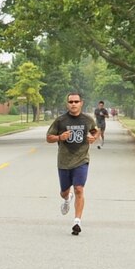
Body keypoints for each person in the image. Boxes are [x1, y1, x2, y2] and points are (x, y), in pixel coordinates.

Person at [46, 92, 98, 236]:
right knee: (64, 192)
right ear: (67, 104)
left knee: (79, 189)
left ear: (81, 103)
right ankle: (67, 199)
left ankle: (77, 221)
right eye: (71, 102)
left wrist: (93, 138)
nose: (73, 104)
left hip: (81, 160)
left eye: (76, 101)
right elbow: (49, 138)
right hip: (64, 161)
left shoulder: (87, 120)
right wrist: (59, 137)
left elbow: (95, 132)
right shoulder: (60, 121)